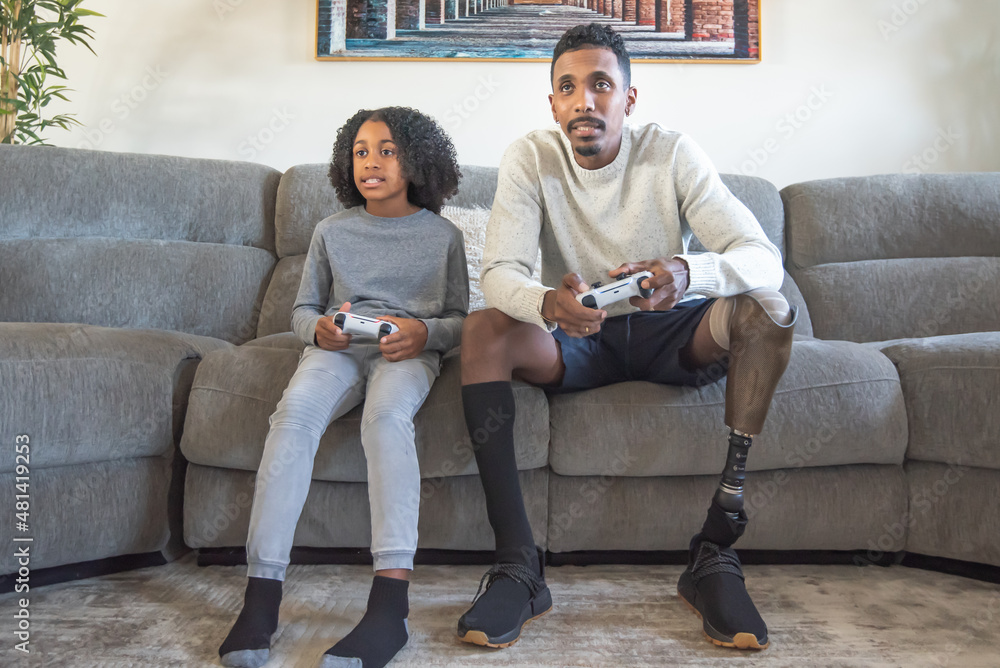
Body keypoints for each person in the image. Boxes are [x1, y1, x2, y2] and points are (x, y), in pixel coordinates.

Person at [456, 24, 796, 652]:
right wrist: (546, 302)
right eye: (568, 88)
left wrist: (684, 271)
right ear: (553, 103)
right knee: (483, 329)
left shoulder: (672, 152)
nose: (584, 100)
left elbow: (761, 256)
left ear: (629, 101)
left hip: (676, 327)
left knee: (765, 308)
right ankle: (518, 566)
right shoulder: (530, 156)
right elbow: (500, 271)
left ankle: (714, 552)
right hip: (580, 332)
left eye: (601, 85)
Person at [218, 106, 468, 668]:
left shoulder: (443, 236)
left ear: (417, 162)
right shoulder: (331, 230)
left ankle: (390, 605)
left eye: (386, 150)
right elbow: (302, 310)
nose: (371, 162)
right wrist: (320, 329)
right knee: (293, 418)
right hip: (338, 349)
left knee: (385, 420)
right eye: (360, 151)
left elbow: (458, 319)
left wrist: (424, 332)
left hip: (405, 354)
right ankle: (261, 597)